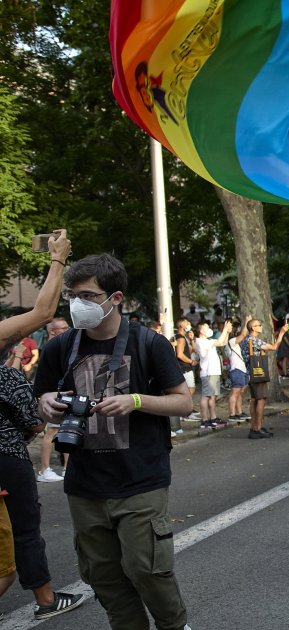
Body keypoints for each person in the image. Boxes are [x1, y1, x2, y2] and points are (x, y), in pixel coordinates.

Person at [34, 253, 193, 628]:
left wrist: (135, 400)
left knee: (146, 568)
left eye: (88, 296)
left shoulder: (148, 343)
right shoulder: (59, 348)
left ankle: (175, 625)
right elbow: (40, 400)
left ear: (116, 298)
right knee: (103, 576)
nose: (78, 304)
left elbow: (184, 402)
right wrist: (47, 405)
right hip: (85, 484)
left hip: (139, 479)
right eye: (72, 295)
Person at [0, 230, 85, 620]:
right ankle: (46, 599)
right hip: (6, 458)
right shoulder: (10, 378)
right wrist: (58, 259)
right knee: (24, 530)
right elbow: (42, 313)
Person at [36, 318, 71, 483]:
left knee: (67, 429)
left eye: (67, 327)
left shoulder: (64, 346)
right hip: (54, 397)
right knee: (52, 432)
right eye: (62, 328)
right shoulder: (51, 348)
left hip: (65, 395)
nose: (67, 330)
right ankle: (44, 469)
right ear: (52, 332)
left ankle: (67, 467)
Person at [242, 317, 289, 439]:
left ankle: (254, 427)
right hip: (258, 374)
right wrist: (282, 333)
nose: (261, 326)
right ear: (253, 328)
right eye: (258, 324)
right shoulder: (254, 340)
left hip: (249, 373)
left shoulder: (246, 340)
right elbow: (274, 347)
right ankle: (257, 428)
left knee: (254, 400)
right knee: (261, 400)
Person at [193, 320, 234, 429]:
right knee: (206, 396)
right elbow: (220, 341)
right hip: (208, 372)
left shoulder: (207, 340)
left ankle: (213, 418)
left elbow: (222, 342)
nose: (209, 329)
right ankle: (205, 420)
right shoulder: (201, 341)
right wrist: (224, 330)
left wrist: (227, 332)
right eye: (207, 328)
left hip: (213, 371)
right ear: (201, 331)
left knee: (212, 396)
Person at [225, 318, 251, 422]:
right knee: (235, 392)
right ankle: (232, 414)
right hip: (236, 370)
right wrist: (246, 322)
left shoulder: (233, 343)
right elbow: (243, 334)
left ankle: (239, 412)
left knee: (240, 392)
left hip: (241, 369)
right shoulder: (231, 342)